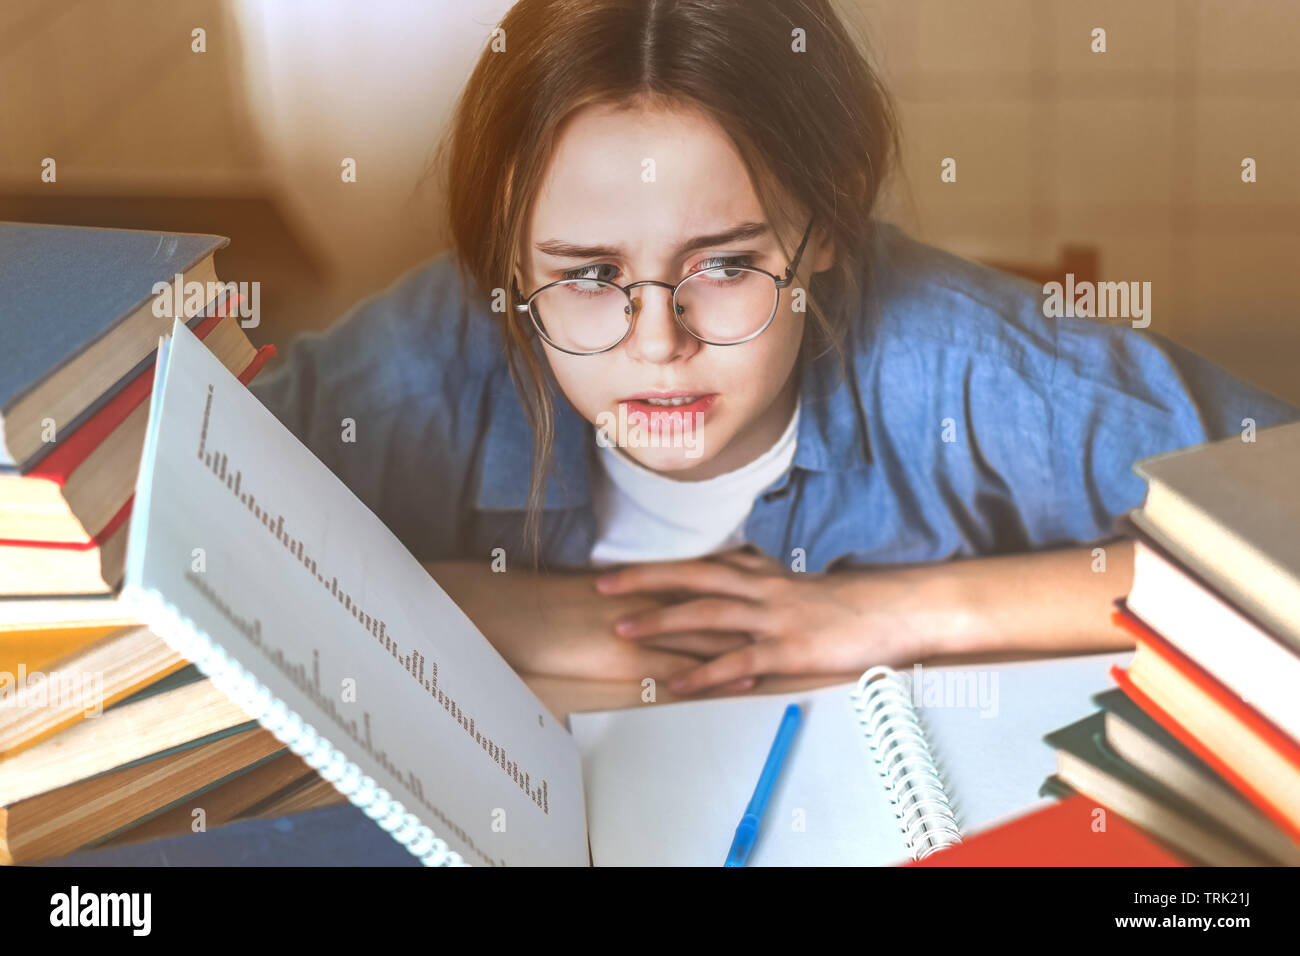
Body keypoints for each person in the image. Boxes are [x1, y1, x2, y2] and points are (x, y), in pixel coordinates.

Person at [250, 0, 1300, 696]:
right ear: (504, 263)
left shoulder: (961, 363)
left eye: (725, 265)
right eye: (586, 275)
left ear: (829, 220)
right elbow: (159, 519)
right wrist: (499, 608)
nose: (658, 344)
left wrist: (893, 613)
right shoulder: (430, 358)